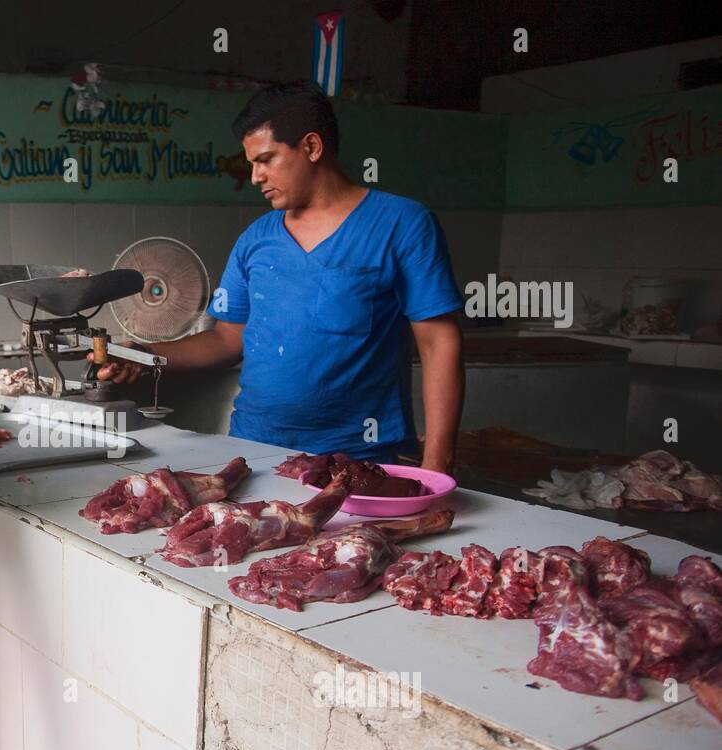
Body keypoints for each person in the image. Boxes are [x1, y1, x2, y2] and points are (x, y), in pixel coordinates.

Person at [98, 82, 465, 473]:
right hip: (253, 451)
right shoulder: (255, 239)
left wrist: (437, 466)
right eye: (252, 163)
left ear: (311, 147)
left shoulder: (402, 224)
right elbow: (227, 337)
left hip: (357, 461)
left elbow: (438, 344)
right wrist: (146, 356)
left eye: (266, 159)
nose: (255, 176)